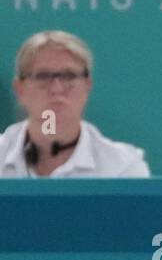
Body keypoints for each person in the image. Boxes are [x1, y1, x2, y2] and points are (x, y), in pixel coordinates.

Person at [0, 31, 149, 178]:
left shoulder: (123, 169)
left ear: (87, 86)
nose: (56, 89)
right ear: (19, 89)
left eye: (69, 76)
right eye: (42, 76)